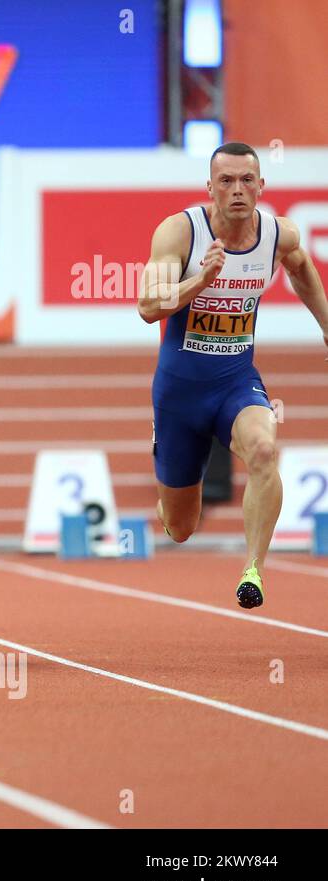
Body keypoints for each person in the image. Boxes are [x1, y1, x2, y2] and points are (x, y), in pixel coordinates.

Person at [138, 141, 328, 608]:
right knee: (181, 527)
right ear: (210, 188)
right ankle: (168, 483)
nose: (237, 190)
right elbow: (147, 307)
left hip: (235, 383)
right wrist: (199, 281)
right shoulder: (179, 233)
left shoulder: (279, 235)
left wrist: (327, 326)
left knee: (264, 449)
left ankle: (253, 570)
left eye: (247, 180)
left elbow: (301, 268)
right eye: (226, 181)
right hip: (179, 394)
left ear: (262, 186)